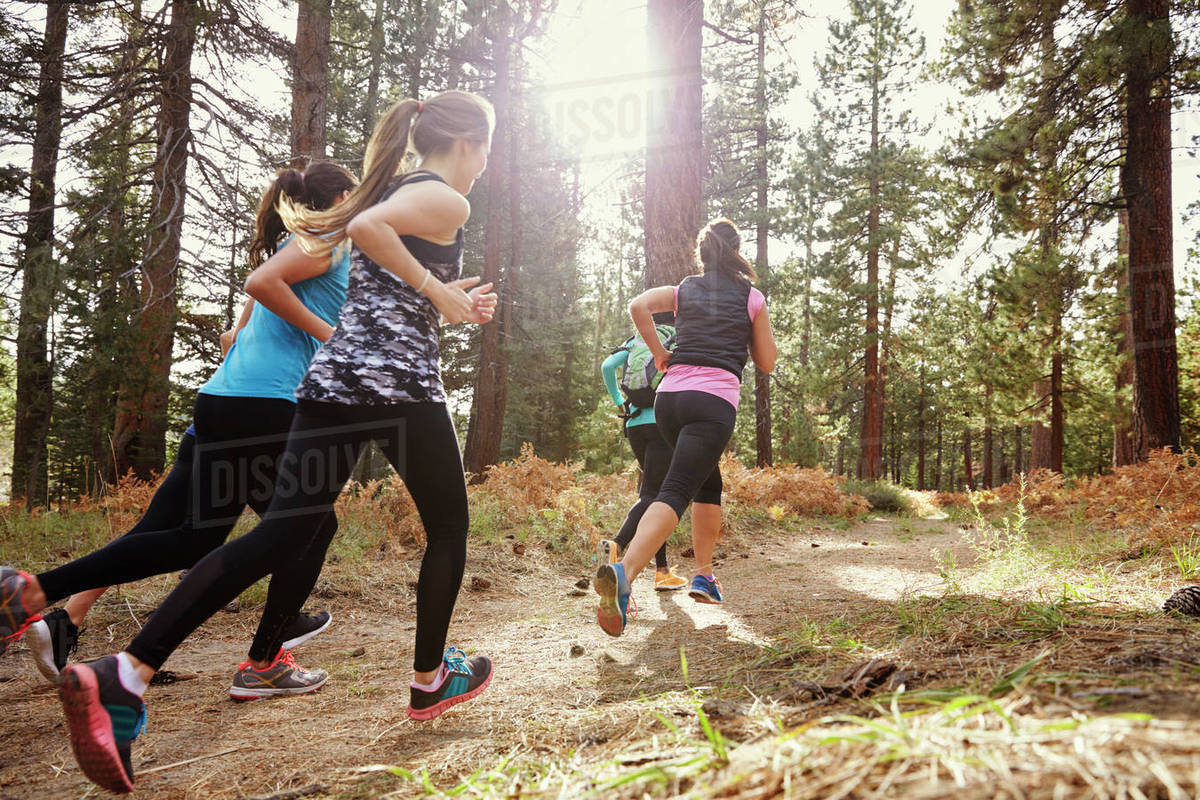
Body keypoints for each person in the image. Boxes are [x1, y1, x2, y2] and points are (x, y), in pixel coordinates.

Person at [3, 90, 498, 794]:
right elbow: (371, 233)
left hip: (331, 387)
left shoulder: (401, 191)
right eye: (488, 148)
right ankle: (429, 680)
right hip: (398, 392)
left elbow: (379, 271)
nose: (487, 165)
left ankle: (128, 672)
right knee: (449, 528)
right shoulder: (444, 199)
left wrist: (449, 302)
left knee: (277, 536)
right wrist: (433, 285)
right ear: (469, 142)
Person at [4, 161, 365, 696]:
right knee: (306, 528)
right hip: (263, 406)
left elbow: (231, 337)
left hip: (227, 400)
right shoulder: (327, 242)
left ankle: (34, 596)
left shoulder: (300, 247)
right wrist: (328, 337)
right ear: (338, 198)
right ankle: (265, 658)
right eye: (356, 189)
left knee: (189, 538)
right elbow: (261, 285)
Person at [594, 219, 777, 637]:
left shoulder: (684, 290)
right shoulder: (751, 297)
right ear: (736, 251)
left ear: (703, 253)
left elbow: (638, 305)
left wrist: (661, 353)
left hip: (669, 401)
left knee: (706, 483)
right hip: (711, 402)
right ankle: (625, 572)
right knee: (675, 490)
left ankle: (704, 576)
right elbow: (767, 361)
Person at [596, 317, 688, 591]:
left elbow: (608, 366)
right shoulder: (677, 337)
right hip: (662, 424)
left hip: (635, 423)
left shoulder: (636, 340)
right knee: (655, 497)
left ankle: (662, 571)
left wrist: (619, 401)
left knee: (656, 498)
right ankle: (616, 544)